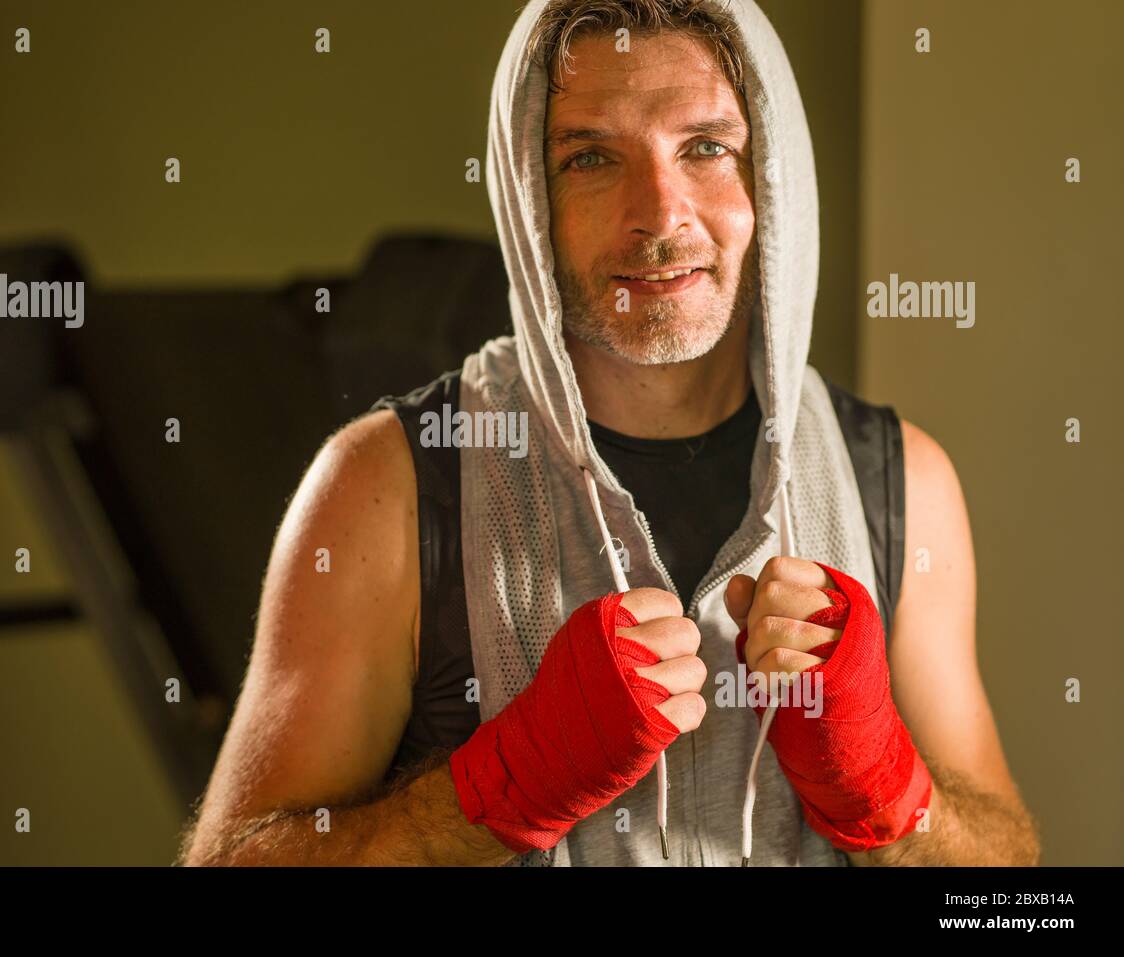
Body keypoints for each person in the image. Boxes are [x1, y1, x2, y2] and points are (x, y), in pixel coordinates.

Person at [179, 0, 1038, 867]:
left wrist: (887, 786)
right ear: (528, 196)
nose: (660, 215)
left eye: (705, 148)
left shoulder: (902, 484)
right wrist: (495, 791)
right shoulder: (380, 486)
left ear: (771, 175)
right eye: (591, 157)